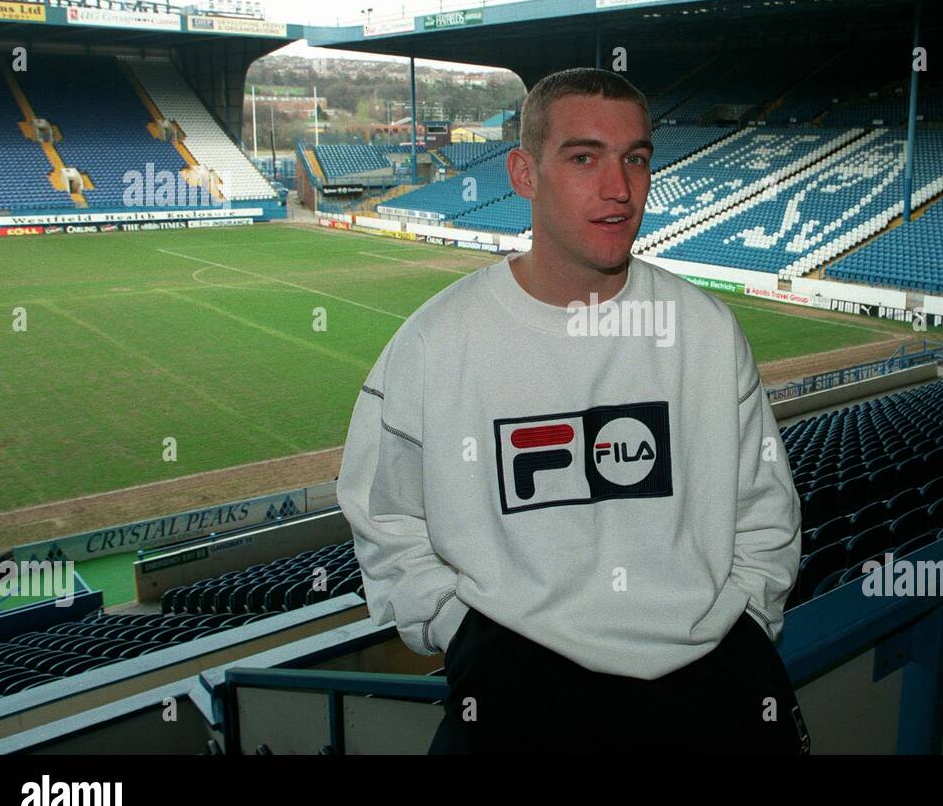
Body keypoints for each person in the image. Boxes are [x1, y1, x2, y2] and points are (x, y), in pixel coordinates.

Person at [337, 67, 808, 754]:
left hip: (707, 695)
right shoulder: (435, 343)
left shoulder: (704, 330)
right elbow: (385, 516)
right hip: (519, 702)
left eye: (635, 159)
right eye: (584, 158)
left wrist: (745, 626)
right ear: (524, 174)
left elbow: (765, 511)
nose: (619, 188)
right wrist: (462, 633)